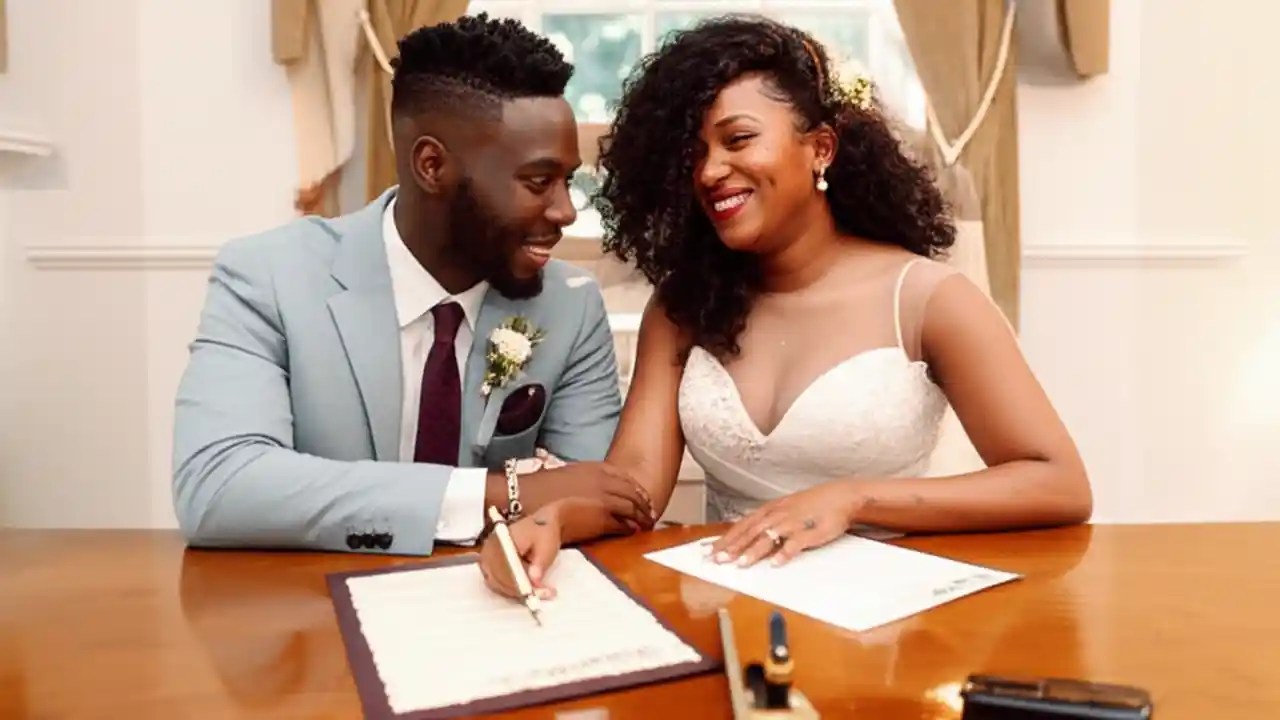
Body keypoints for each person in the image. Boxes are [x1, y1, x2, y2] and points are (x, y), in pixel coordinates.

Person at [479, 15, 1091, 598]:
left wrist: (855, 499)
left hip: (887, 616)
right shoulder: (683, 307)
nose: (712, 171)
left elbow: (1057, 481)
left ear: (821, 147)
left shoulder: (929, 298)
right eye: (694, 155)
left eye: (738, 139)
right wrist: (554, 518)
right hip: (728, 604)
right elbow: (636, 488)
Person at [171, 14, 654, 556]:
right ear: (431, 165)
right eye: (538, 182)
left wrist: (544, 502)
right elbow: (218, 488)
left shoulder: (570, 305)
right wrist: (503, 493)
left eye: (568, 180)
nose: (565, 211)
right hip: (312, 614)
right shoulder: (268, 278)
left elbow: (589, 500)